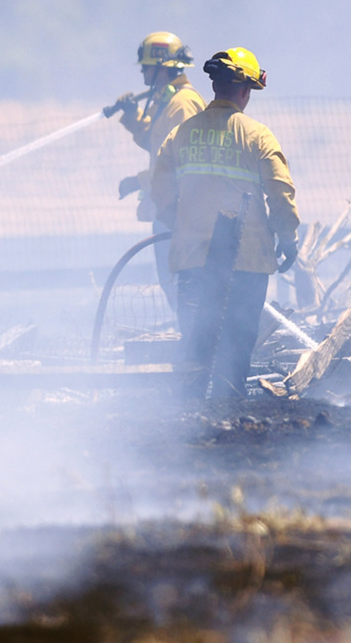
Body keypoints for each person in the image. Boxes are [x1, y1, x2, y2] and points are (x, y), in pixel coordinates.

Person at [150, 47, 299, 399]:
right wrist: (288, 239)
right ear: (246, 91)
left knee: (196, 344)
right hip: (246, 264)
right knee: (235, 346)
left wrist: (185, 225)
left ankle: (188, 420)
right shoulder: (257, 135)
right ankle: (229, 419)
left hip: (192, 262)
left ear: (214, 86)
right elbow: (280, 193)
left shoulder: (181, 134)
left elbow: (160, 194)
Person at [109, 31, 206, 305]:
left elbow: (182, 163)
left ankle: (194, 340)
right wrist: (131, 116)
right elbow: (156, 144)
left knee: (181, 285)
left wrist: (139, 181)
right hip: (169, 208)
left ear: (161, 67)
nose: (141, 72)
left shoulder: (183, 104)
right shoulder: (166, 101)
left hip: (181, 212)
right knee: (172, 283)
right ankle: (190, 338)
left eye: (146, 66)